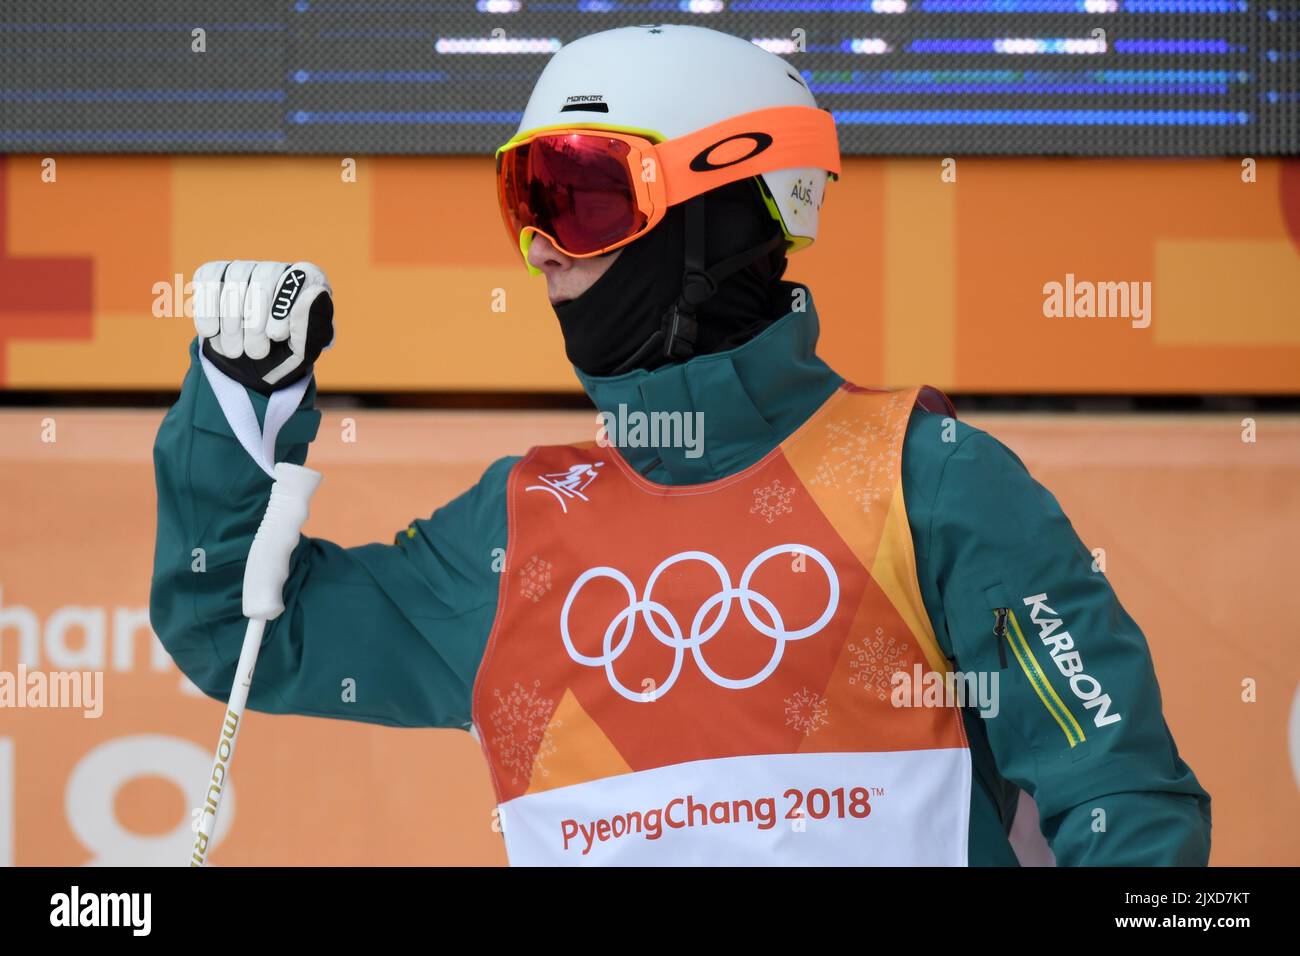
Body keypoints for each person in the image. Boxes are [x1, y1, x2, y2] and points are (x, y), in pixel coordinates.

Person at [151, 23, 1210, 865]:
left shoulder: (925, 479)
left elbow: (1120, 799)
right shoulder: (520, 525)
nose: (543, 252)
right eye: (527, 201)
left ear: (720, 213)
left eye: (582, 197)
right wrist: (241, 404)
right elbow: (237, 629)